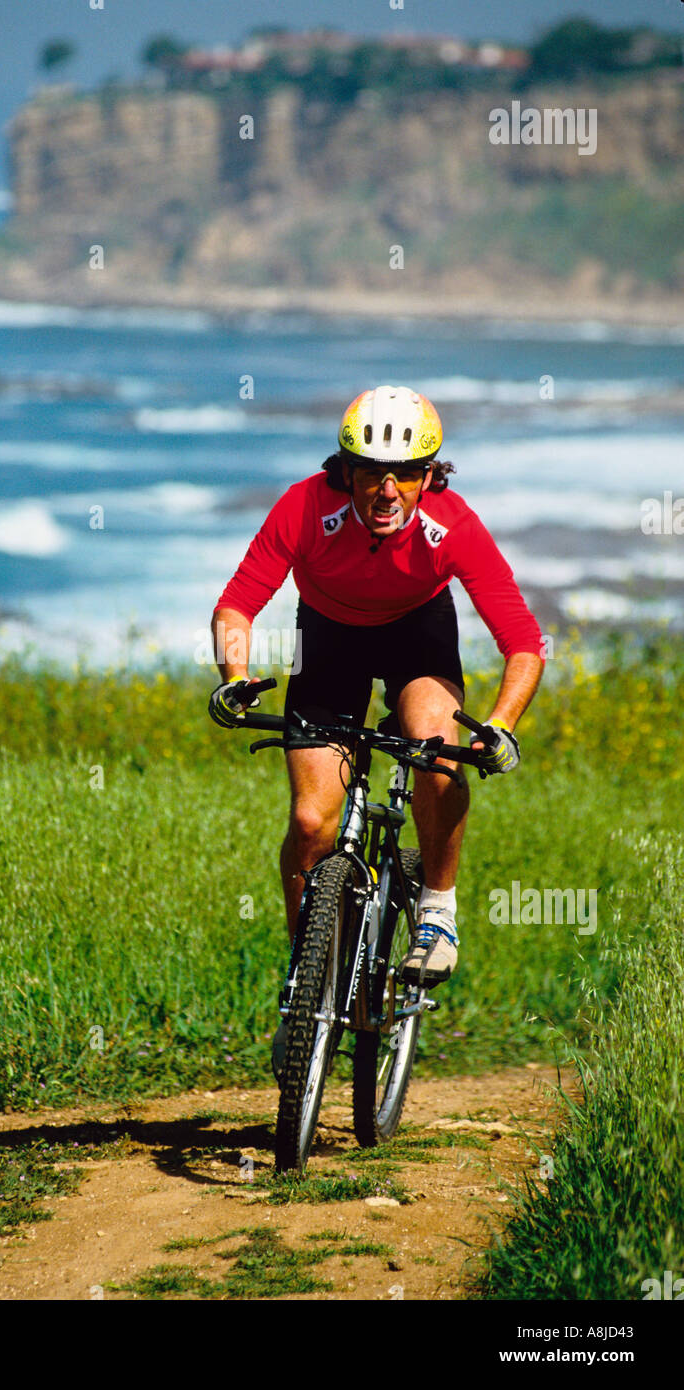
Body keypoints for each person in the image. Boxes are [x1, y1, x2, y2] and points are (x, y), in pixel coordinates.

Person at [208, 385, 544, 1080]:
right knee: (309, 821)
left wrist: (501, 725)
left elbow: (522, 640)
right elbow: (237, 603)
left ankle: (436, 913)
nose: (386, 490)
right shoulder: (304, 507)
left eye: (405, 474)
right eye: (369, 472)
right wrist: (233, 677)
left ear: (429, 476)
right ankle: (307, 984)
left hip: (417, 642)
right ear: (345, 471)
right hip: (327, 643)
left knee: (433, 751)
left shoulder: (453, 527)